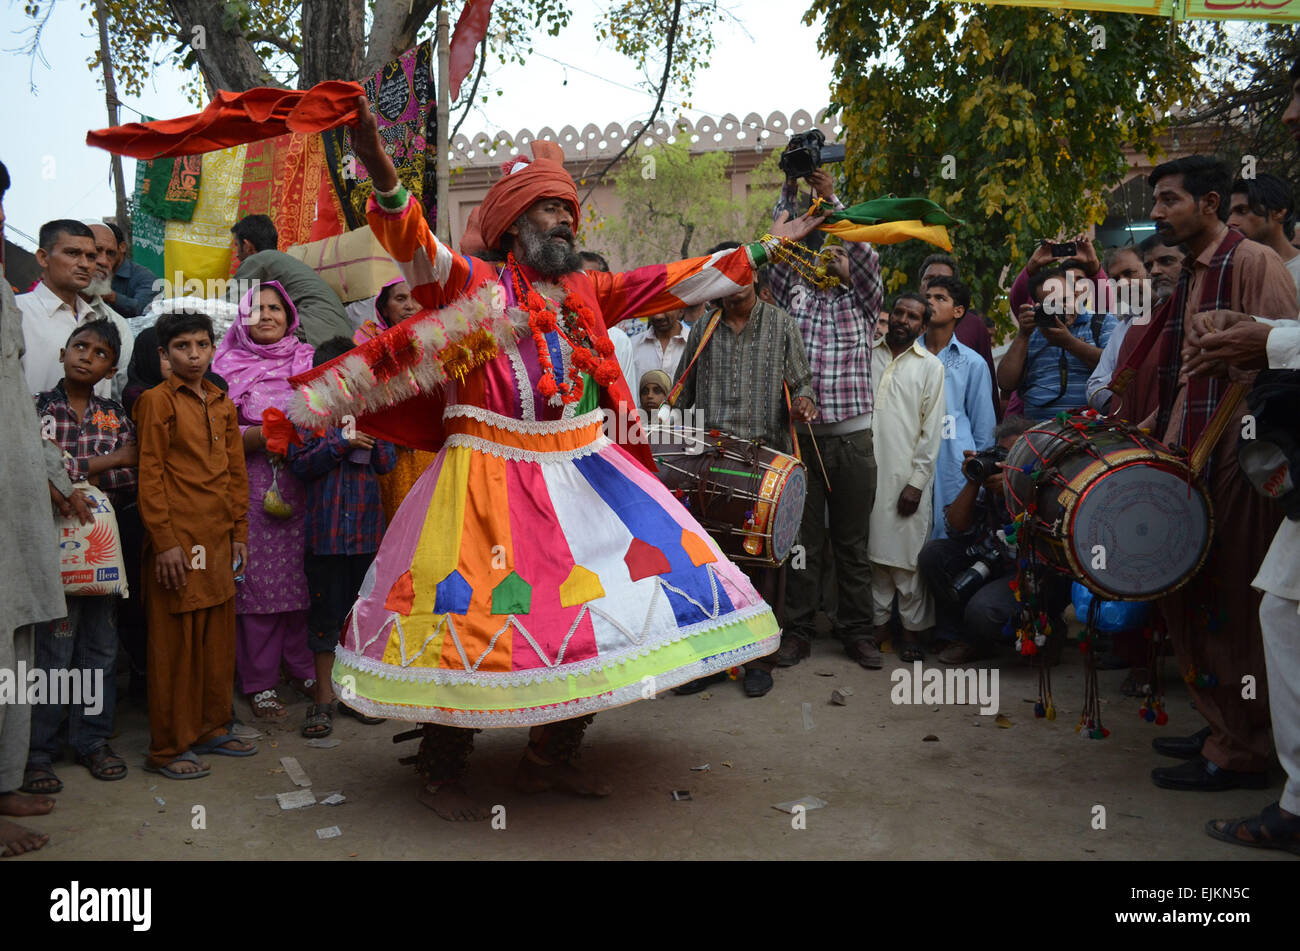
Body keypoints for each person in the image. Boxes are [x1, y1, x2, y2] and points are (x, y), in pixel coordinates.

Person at [289, 94, 823, 820]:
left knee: (598, 616)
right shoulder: (467, 285)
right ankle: (444, 762)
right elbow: (408, 233)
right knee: (467, 621)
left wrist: (762, 248)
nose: (565, 219)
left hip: (580, 475)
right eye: (547, 209)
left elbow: (671, 280)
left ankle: (548, 758)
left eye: (567, 209)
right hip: (485, 480)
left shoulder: (586, 290)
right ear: (512, 225)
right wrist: (376, 155)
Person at [1117, 155, 1297, 792]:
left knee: (1234, 605)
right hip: (1190, 454)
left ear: (1211, 202)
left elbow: (1284, 360)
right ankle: (1223, 727)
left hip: (1239, 464)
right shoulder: (1194, 272)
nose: (1157, 213)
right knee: (1192, 597)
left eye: (1169, 200)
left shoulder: (1253, 263)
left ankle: (1245, 747)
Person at [672, 242, 817, 695]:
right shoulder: (703, 329)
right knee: (711, 564)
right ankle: (711, 661)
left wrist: (805, 404)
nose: (731, 285)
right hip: (710, 464)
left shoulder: (781, 325)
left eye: (738, 275)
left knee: (762, 564)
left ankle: (760, 660)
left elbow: (802, 385)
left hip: (763, 462)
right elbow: (683, 395)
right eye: (723, 277)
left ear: (752, 276)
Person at [1, 160, 90, 857]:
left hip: (21, 492)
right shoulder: (22, 301)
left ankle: (5, 782)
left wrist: (55, 469)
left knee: (16, 638)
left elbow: (16, 413)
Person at [767, 170, 881, 670]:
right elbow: (773, 253)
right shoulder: (797, 298)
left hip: (853, 441)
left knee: (853, 543)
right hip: (806, 442)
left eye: (840, 254)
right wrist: (790, 194)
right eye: (824, 252)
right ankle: (798, 631)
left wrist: (833, 200)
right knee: (803, 543)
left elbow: (866, 256)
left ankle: (858, 632)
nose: (833, 257)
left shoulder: (865, 303)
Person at [135, 309, 255, 779]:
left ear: (212, 347)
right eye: (182, 347)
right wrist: (163, 542)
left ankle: (209, 728)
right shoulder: (156, 402)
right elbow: (150, 473)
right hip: (178, 543)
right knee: (174, 647)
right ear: (164, 355)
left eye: (202, 345)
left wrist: (240, 533)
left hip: (218, 539)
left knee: (215, 641)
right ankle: (167, 747)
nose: (194, 355)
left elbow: (235, 474)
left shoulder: (221, 401)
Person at [24, 319, 136, 793]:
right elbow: (29, 465)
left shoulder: (114, 413)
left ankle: (91, 740)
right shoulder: (35, 409)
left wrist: (76, 469)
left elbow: (132, 464)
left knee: (100, 647)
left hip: (102, 549)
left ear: (111, 367)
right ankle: (38, 753)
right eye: (79, 346)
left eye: (99, 353)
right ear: (62, 353)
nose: (87, 356)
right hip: (52, 544)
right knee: (53, 649)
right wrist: (73, 481)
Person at [212, 282, 318, 721]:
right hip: (250, 484)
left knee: (301, 582)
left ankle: (301, 666)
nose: (268, 316)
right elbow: (211, 430)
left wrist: (306, 432)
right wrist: (255, 437)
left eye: (276, 308)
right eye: (257, 310)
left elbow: (332, 408)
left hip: (304, 481)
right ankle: (259, 681)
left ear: (290, 315)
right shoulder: (225, 364)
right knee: (256, 587)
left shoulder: (308, 360)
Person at [289, 336, 398, 738]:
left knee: (359, 619)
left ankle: (352, 696)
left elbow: (386, 464)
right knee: (324, 619)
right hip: (327, 538)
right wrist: (342, 441)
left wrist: (373, 428)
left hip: (367, 538)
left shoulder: (372, 410)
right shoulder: (309, 416)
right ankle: (322, 701)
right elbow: (299, 465)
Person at [918, 416, 1041, 664]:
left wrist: (1014, 487)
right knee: (933, 555)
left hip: (1031, 572)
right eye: (1001, 454)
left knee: (982, 611)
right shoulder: (991, 482)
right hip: (992, 561)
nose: (1005, 463)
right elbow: (955, 526)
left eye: (1014, 456)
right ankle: (966, 637)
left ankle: (1045, 631)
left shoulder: (1043, 483)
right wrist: (974, 480)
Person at [868, 292, 945, 662]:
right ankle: (878, 628)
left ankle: (913, 632)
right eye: (898, 312)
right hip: (867, 473)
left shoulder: (931, 367)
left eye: (913, 317)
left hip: (906, 480)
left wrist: (916, 483)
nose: (902, 320)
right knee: (873, 557)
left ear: (923, 326)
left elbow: (931, 432)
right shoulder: (867, 355)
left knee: (907, 558)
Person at [997, 246, 1118, 421]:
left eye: (1064, 300)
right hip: (1038, 432)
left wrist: (1069, 343)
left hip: (1089, 429)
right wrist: (1023, 335)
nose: (1061, 308)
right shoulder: (1033, 331)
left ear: (1076, 294)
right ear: (1037, 305)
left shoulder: (1101, 322)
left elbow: (1116, 367)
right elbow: (1005, 383)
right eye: (1051, 304)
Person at [352, 278, 434, 523]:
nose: (410, 305)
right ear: (384, 308)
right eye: (400, 299)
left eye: (416, 298)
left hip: (431, 449)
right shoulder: (367, 344)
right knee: (397, 526)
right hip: (388, 453)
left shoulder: (440, 338)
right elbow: (361, 397)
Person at [922, 275, 995, 540]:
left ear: (958, 310)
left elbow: (983, 426)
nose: (931, 302)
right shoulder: (908, 356)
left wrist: (978, 472)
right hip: (911, 452)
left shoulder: (972, 363)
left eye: (940, 298)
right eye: (928, 297)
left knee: (947, 532)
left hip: (953, 458)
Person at [229, 214, 355, 346]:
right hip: (340, 334)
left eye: (237, 245)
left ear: (247, 245)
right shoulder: (280, 259)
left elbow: (228, 304)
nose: (237, 254)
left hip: (314, 330)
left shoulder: (258, 259)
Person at [15, 220, 108, 398]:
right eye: (73, 253)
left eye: (91, 256)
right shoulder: (17, 312)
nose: (85, 264)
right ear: (43, 257)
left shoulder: (96, 320)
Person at [1088, 236, 1180, 413]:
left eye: (1129, 273)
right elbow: (1094, 388)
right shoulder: (1122, 327)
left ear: (1149, 270)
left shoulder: (1177, 315)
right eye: (1115, 279)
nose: (1123, 283)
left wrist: (1122, 380)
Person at [918, 253, 999, 421]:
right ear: (920, 285)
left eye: (942, 280)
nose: (934, 285)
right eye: (929, 279)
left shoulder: (974, 327)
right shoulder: (904, 322)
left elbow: (985, 396)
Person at [81, 223, 135, 401]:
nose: (103, 261)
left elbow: (121, 392)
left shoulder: (119, 325)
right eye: (95, 251)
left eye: (111, 254)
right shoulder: (21, 313)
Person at [1228, 172, 1300, 302]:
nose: (1231, 221)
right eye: (1230, 213)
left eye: (1242, 211)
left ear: (1278, 212)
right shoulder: (1230, 271)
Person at [580, 250, 638, 395]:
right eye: (579, 281)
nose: (585, 289)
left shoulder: (619, 339)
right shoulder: (556, 331)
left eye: (594, 281)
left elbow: (626, 396)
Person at [632, 307, 691, 403]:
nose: (658, 316)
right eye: (654, 308)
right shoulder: (632, 346)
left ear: (680, 310)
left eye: (665, 307)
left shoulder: (696, 345)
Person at [104, 221, 159, 318]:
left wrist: (109, 296)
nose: (101, 259)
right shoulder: (87, 273)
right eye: (95, 252)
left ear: (122, 247)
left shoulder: (145, 277)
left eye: (108, 252)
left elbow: (142, 309)